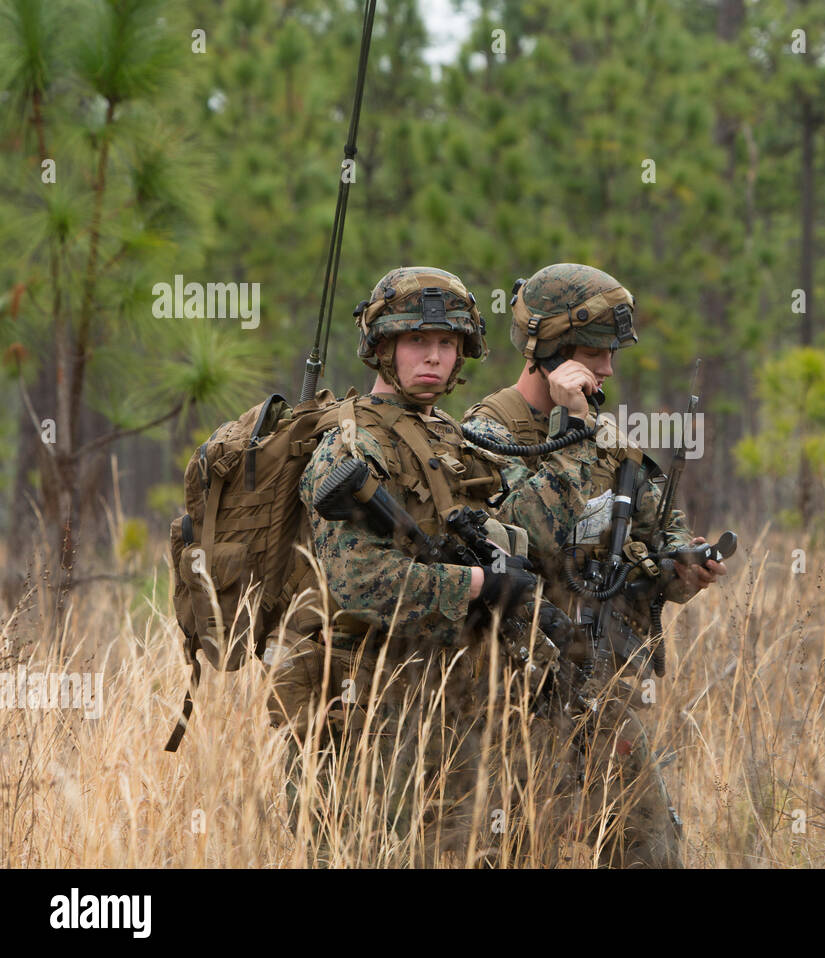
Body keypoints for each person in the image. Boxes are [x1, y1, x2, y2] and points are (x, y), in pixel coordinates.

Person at [268, 265, 601, 865]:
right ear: (382, 349)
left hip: (449, 706)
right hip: (364, 707)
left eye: (447, 344)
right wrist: (477, 583)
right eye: (418, 341)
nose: (434, 357)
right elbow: (360, 582)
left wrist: (573, 427)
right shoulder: (350, 445)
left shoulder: (452, 436)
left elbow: (540, 526)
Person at [462, 263, 728, 867]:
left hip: (602, 693)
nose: (608, 368)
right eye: (595, 351)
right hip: (511, 702)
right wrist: (572, 430)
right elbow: (524, 533)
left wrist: (684, 568)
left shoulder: (610, 442)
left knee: (653, 849)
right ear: (548, 348)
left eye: (612, 353)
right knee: (514, 850)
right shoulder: (482, 436)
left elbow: (662, 532)